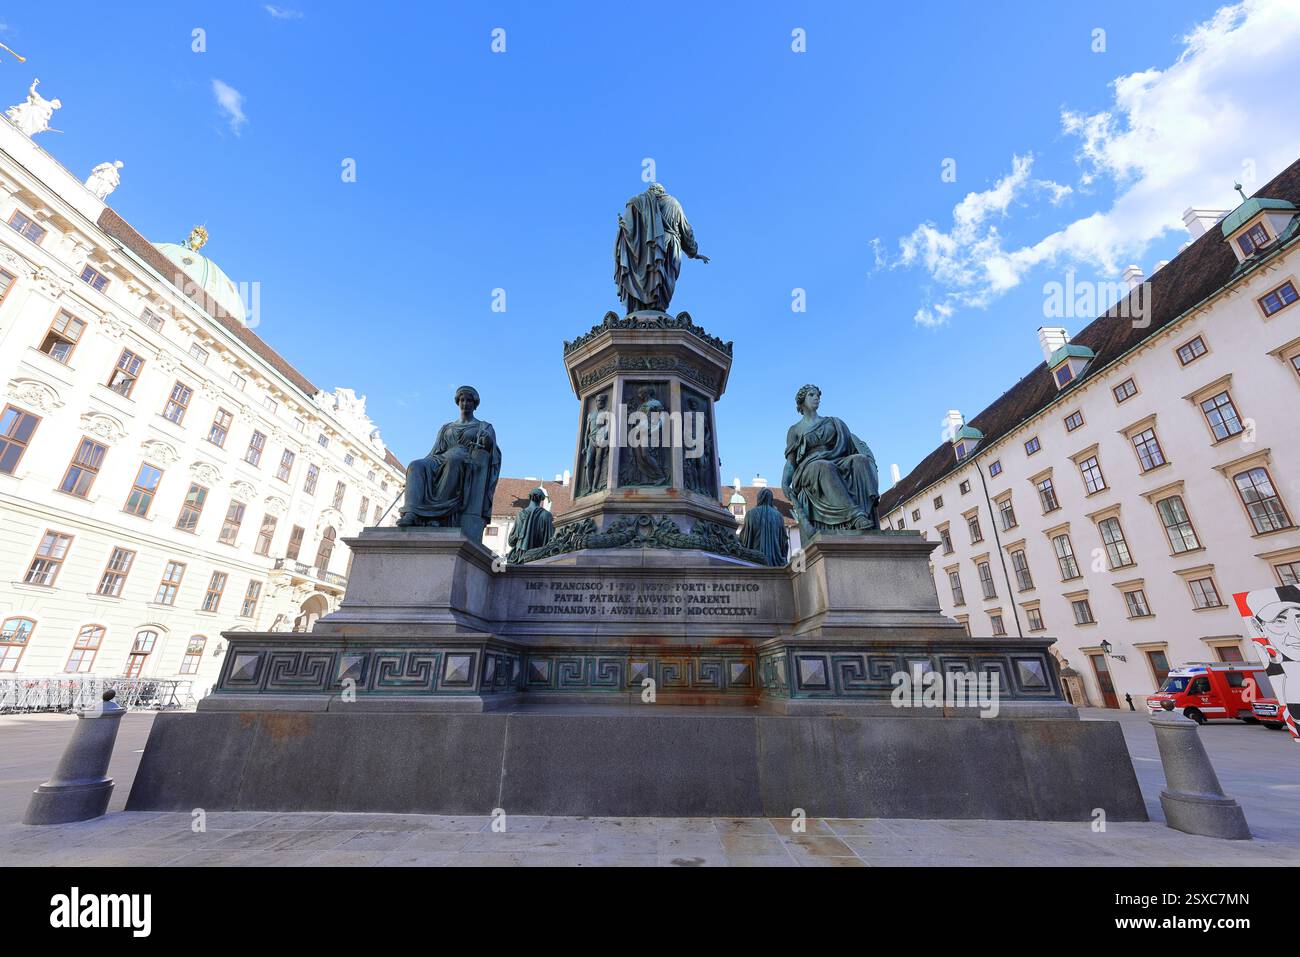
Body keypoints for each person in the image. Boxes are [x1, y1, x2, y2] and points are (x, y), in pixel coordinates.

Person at [397, 385, 501, 539]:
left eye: (469, 401)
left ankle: (437, 516)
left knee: (454, 461)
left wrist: (487, 442)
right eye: (462, 400)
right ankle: (411, 513)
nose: (465, 404)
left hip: (465, 459)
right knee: (416, 465)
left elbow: (494, 453)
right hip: (441, 457)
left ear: (475, 404)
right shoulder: (447, 427)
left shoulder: (484, 426)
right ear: (458, 402)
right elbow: (435, 451)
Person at [781, 383, 879, 534]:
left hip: (835, 457)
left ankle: (864, 513)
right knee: (824, 467)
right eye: (811, 395)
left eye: (818, 395)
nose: (816, 398)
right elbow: (791, 462)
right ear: (802, 401)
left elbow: (851, 444)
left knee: (860, 460)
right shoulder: (795, 430)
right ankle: (855, 516)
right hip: (810, 467)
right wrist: (785, 483)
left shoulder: (833, 422)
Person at [613, 183, 709, 313]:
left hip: (643, 250)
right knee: (664, 280)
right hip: (668, 246)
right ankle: (658, 306)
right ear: (662, 191)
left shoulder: (636, 202)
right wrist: (693, 252)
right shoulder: (673, 203)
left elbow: (627, 228)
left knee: (646, 274)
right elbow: (686, 231)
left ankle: (639, 306)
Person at [739, 487, 789, 566]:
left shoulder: (750, 514)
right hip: (776, 561)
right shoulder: (778, 515)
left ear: (759, 498)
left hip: (756, 560)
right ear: (771, 499)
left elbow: (744, 539)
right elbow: (784, 541)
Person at [508, 487, 555, 562]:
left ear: (529, 497)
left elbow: (512, 541)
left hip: (522, 556)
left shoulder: (521, 514)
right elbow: (551, 539)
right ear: (542, 499)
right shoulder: (547, 515)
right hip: (540, 557)